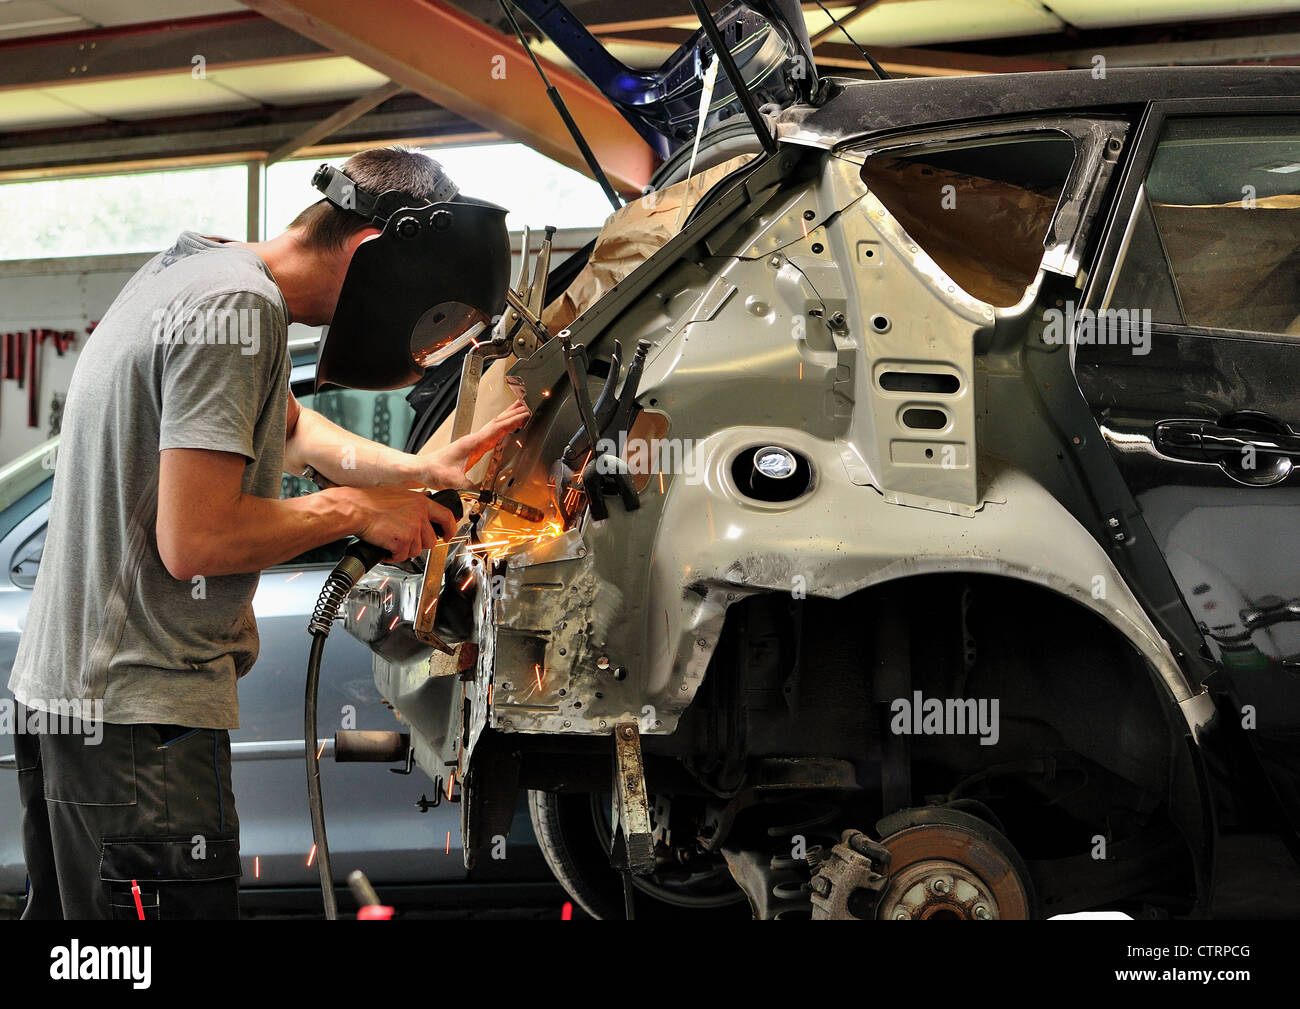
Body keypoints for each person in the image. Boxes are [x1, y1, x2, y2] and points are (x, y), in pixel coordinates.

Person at [7, 146, 527, 919]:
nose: (420, 338)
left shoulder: (191, 274)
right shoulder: (241, 310)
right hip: (140, 721)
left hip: (69, 707)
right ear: (374, 253)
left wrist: (419, 469)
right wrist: (355, 512)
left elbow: (291, 431)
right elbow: (196, 539)